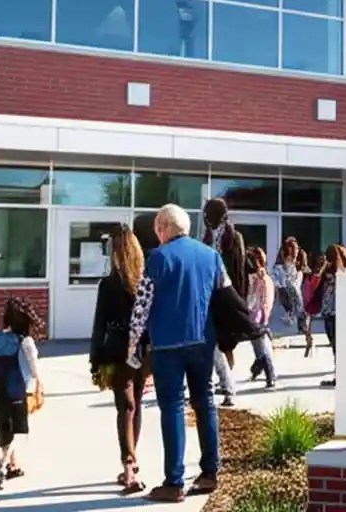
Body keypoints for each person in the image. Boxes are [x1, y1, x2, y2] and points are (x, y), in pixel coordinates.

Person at [126, 204, 229, 502]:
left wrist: (133, 346)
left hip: (168, 345)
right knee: (205, 402)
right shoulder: (211, 256)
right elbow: (226, 296)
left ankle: (174, 481)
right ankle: (210, 472)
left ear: (163, 228)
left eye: (158, 228)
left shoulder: (158, 258)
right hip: (202, 342)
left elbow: (141, 307)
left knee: (171, 407)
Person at [89, 224, 148, 494]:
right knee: (135, 405)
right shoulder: (145, 283)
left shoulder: (108, 284)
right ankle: (132, 465)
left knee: (125, 406)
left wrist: (95, 359)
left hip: (116, 348)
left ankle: (128, 465)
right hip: (142, 350)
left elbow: (99, 325)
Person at [0, 296, 43, 490]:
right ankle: (2, 465)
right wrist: (40, 386)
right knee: (17, 431)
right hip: (16, 391)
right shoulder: (25, 341)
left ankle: (12, 464)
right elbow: (34, 368)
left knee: (4, 427)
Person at [201, 198, 244, 406]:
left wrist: (239, 300)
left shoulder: (233, 237)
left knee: (225, 343)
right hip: (209, 296)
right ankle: (224, 383)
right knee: (213, 342)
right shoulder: (207, 237)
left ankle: (228, 386)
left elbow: (239, 270)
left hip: (226, 294)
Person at [313, 244, 346, 389]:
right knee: (335, 347)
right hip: (328, 314)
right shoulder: (327, 273)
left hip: (337, 315)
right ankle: (338, 376)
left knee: (338, 347)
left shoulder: (341, 275)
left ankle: (340, 377)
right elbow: (316, 285)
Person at [246, 247, 276, 389]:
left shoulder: (257, 279)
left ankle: (270, 376)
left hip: (255, 315)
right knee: (259, 347)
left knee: (260, 347)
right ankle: (257, 370)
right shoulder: (267, 278)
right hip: (262, 315)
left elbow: (252, 299)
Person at [272, 238, 304, 331]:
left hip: (296, 308)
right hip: (281, 309)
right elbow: (275, 282)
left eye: (297, 250)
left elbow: (296, 287)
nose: (296, 253)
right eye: (294, 250)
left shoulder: (298, 269)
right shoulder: (277, 269)